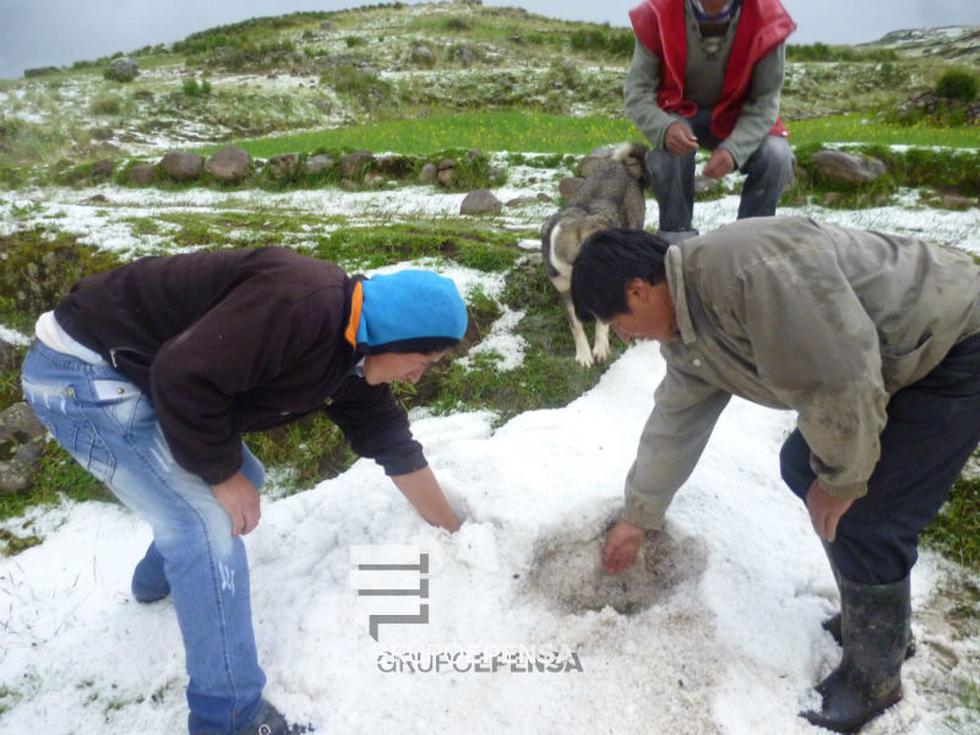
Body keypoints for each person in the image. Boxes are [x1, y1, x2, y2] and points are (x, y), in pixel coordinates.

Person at [20, 246, 468, 735]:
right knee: (204, 523)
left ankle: (157, 580)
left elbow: (392, 443)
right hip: (79, 369)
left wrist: (453, 530)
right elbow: (182, 375)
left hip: (133, 371)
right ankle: (228, 718)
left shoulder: (352, 358)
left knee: (241, 481)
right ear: (395, 335)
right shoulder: (301, 305)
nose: (417, 375)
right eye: (422, 360)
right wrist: (219, 473)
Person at [570, 218, 980, 733]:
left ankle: (874, 680)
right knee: (803, 465)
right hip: (893, 361)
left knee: (868, 511)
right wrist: (639, 514)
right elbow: (675, 422)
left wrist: (842, 483)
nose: (626, 337)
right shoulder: (688, 330)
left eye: (619, 323)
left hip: (954, 345)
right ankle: (878, 625)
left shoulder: (750, 275)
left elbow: (841, 378)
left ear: (639, 289)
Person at [624, 0, 797, 243]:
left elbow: (765, 103)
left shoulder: (769, 20)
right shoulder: (657, 13)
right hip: (680, 113)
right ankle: (676, 239)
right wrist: (665, 128)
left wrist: (734, 149)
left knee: (777, 155)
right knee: (668, 148)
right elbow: (637, 92)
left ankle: (750, 242)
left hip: (740, 120)